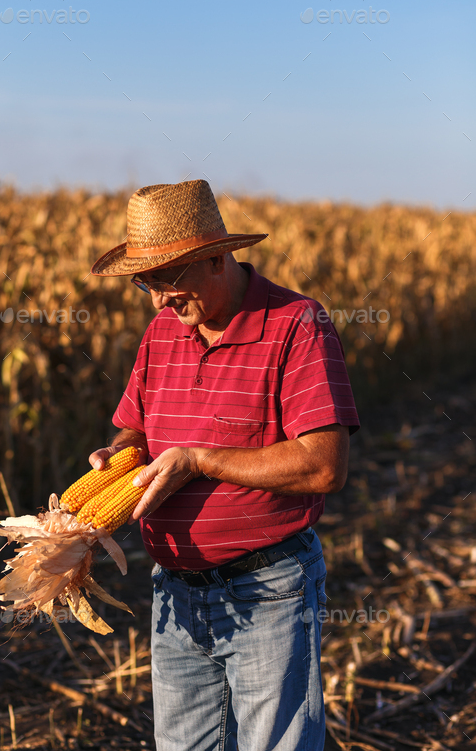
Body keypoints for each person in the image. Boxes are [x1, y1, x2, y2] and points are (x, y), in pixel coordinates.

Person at [88, 179, 359, 751]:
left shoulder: (297, 324)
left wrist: (200, 460)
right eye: (145, 282)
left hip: (267, 589)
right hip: (174, 591)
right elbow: (135, 424)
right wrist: (117, 455)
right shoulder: (163, 330)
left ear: (216, 258)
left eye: (167, 279)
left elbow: (323, 466)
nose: (157, 299)